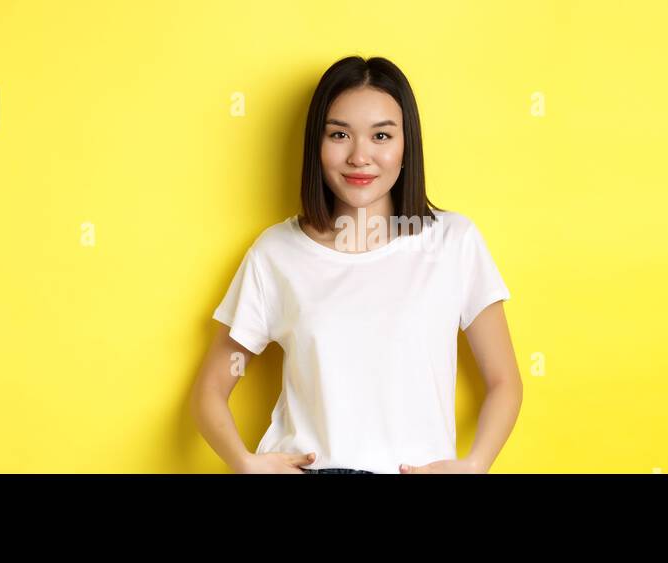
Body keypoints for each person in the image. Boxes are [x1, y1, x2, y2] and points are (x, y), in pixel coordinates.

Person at [191, 55, 522, 474]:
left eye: (381, 135)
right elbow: (210, 390)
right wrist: (244, 462)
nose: (359, 156)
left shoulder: (453, 243)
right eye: (340, 134)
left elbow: (504, 382)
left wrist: (475, 466)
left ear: (407, 145)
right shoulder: (277, 253)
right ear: (318, 143)